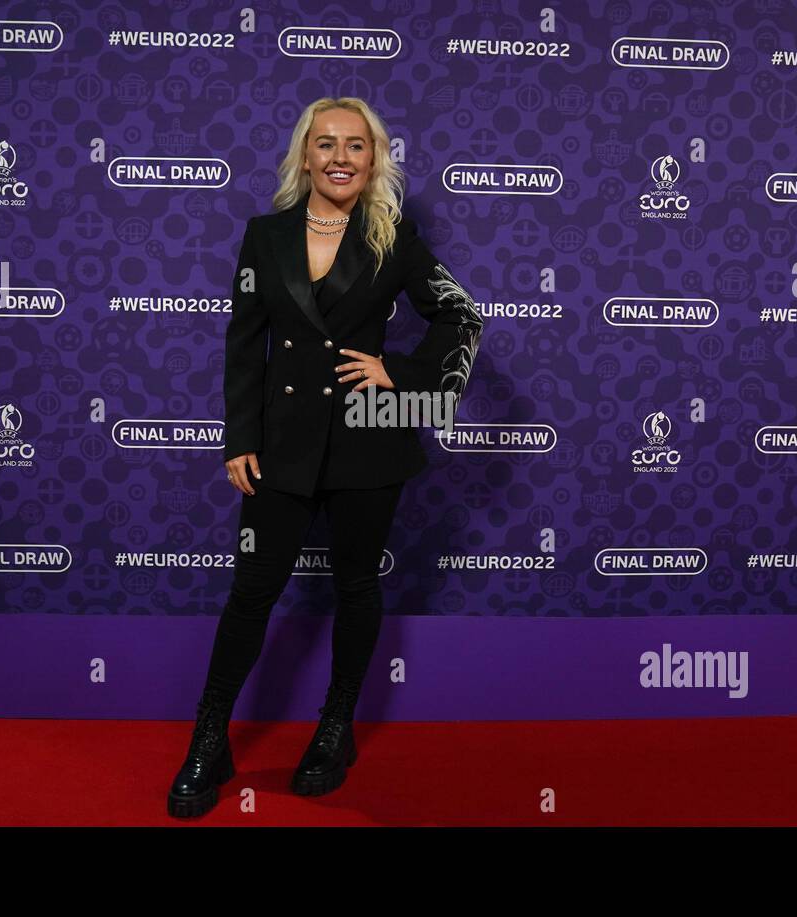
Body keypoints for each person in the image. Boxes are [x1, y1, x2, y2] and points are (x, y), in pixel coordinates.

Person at [167, 97, 486, 818]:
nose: (341, 156)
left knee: (354, 587)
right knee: (252, 592)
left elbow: (461, 313)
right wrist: (240, 436)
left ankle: (334, 729)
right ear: (304, 156)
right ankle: (208, 739)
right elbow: (244, 342)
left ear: (374, 159)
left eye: (356, 145)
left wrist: (400, 374)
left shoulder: (393, 237)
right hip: (280, 444)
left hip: (370, 436)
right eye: (326, 144)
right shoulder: (265, 236)